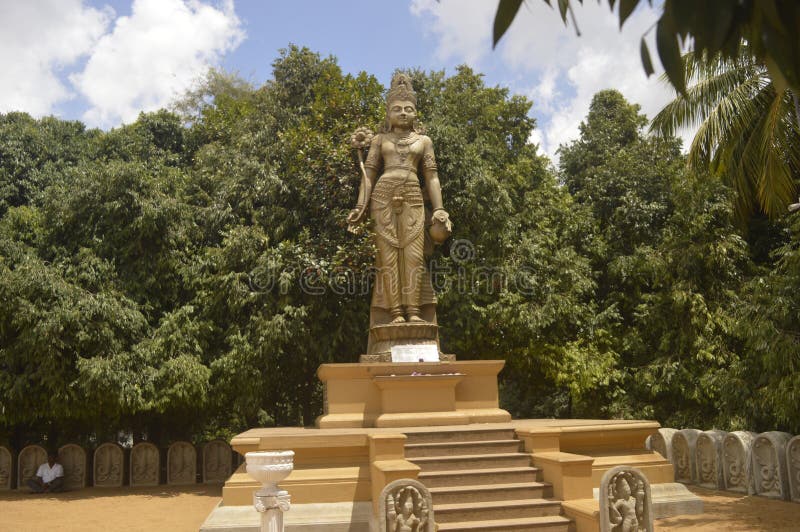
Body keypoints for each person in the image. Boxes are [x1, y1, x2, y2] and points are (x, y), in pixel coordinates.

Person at [347, 73, 451, 325]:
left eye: (408, 109)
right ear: (388, 114)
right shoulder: (379, 140)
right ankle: (394, 313)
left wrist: (439, 209)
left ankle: (414, 311)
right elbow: (369, 176)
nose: (403, 113)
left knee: (414, 256)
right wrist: (360, 206)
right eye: (397, 109)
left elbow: (432, 177)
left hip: (414, 198)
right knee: (388, 257)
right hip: (382, 199)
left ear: (415, 114)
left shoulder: (424, 141)